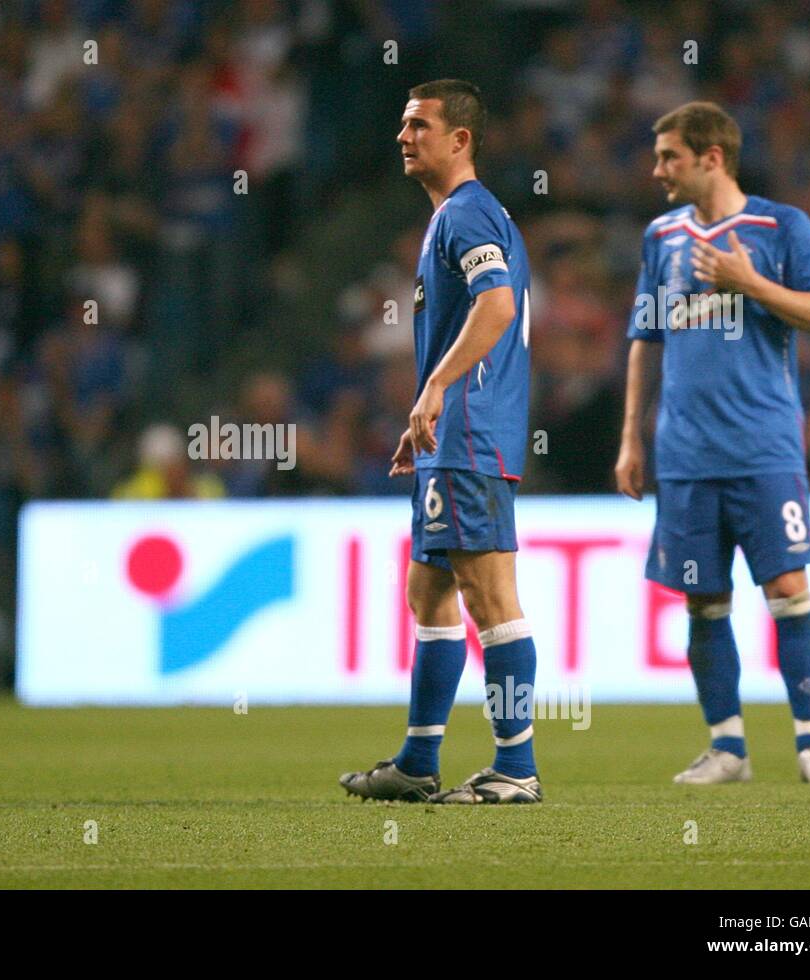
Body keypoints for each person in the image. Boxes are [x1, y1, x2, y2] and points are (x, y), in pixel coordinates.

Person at [614, 101, 810, 784]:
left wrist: (751, 283)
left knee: (787, 587)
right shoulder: (661, 237)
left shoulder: (782, 228)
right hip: (684, 455)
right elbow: (643, 342)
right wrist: (632, 438)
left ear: (711, 157)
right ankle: (728, 748)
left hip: (763, 449)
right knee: (703, 599)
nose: (657, 170)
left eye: (669, 158)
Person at [340, 80, 542, 805]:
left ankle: (516, 768)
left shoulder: (467, 213)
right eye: (402, 123)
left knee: (491, 600)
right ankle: (418, 761)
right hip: (449, 438)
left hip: (471, 434)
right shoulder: (451, 220)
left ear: (460, 139)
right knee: (427, 592)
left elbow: (497, 306)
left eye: (419, 124)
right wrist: (422, 418)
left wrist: (434, 392)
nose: (404, 136)